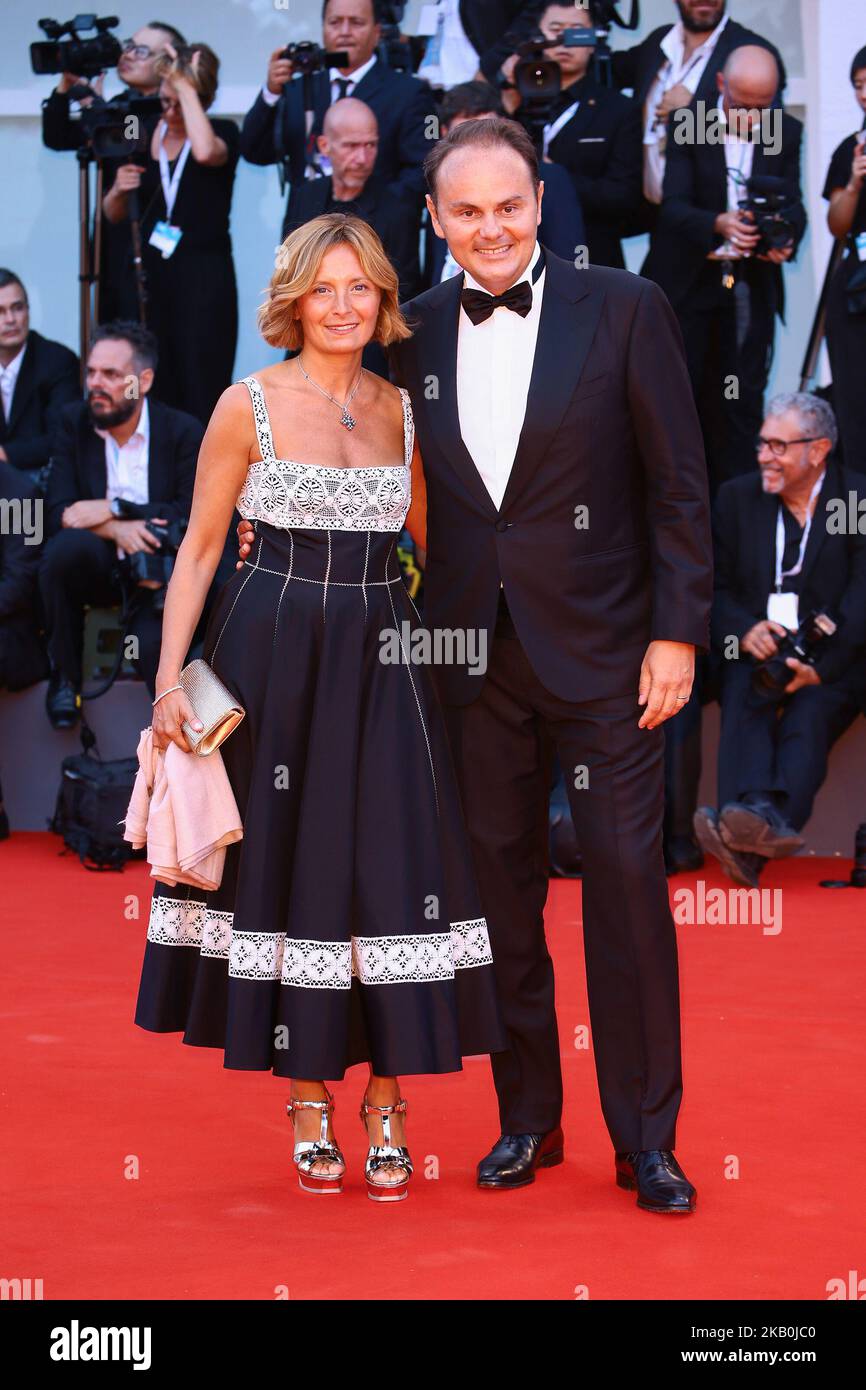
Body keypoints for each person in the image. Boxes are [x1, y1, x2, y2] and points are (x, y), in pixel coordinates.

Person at [238, 117, 714, 1213]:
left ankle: (646, 1140)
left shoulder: (627, 307)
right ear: (436, 218)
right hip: (462, 663)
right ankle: (527, 1120)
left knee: (627, 895)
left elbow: (680, 483)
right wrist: (270, 517)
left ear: (540, 202)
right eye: (466, 211)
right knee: (497, 903)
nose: (489, 228)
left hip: (610, 659)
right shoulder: (409, 337)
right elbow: (351, 449)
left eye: (507, 206)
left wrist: (678, 631)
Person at [136, 214, 505, 1202]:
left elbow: (446, 544)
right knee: (292, 865)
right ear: (293, 301)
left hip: (386, 658)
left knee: (393, 866)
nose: (342, 307)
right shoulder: (245, 404)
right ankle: (306, 1093)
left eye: (360, 289)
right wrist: (168, 680)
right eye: (323, 289)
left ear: (382, 300)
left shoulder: (404, 410)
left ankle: (387, 1096)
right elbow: (200, 551)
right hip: (271, 660)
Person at [695, 394, 866, 887]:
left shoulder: (854, 500)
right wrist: (745, 629)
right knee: (743, 688)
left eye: (778, 446)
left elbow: (862, 596)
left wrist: (821, 668)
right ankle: (756, 819)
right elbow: (712, 586)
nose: (764, 456)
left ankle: (747, 832)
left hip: (831, 659)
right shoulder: (736, 498)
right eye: (762, 443)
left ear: (818, 450)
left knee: (809, 716)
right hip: (756, 648)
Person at [643, 47, 806, 493]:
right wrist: (719, 223)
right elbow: (673, 208)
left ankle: (738, 513)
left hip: (749, 286)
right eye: (741, 106)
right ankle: (685, 511)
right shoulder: (688, 123)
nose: (752, 119)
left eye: (762, 108)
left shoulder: (786, 130)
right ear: (721, 85)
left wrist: (785, 240)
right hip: (691, 283)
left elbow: (794, 206)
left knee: (742, 401)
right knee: (683, 401)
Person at [40, 322, 201, 727]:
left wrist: (114, 507)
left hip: (158, 574)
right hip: (98, 565)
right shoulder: (73, 423)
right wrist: (116, 529)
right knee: (63, 551)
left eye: (111, 375)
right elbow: (60, 511)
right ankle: (65, 681)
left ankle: (180, 740)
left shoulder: (181, 431)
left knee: (154, 645)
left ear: (143, 381)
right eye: (92, 372)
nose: (96, 384)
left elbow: (188, 512)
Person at [102, 43, 240, 426]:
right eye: (165, 101)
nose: (171, 112)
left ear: (203, 98)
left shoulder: (223, 132)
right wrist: (118, 190)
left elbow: (205, 152)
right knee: (149, 380)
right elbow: (113, 213)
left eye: (181, 102)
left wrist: (184, 87)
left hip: (202, 280)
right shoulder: (140, 132)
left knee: (201, 382)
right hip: (148, 279)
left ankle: (202, 459)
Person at [40, 20, 187, 325]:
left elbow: (133, 142)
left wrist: (96, 109)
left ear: (166, 65)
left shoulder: (172, 113)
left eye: (142, 51)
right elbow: (58, 136)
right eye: (129, 46)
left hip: (153, 247)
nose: (128, 55)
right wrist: (66, 88)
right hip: (111, 247)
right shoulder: (120, 106)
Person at [240, 0, 436, 221]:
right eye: (335, 22)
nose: (344, 32)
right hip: (305, 228)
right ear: (323, 27)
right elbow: (254, 151)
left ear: (377, 31)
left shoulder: (410, 92)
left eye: (356, 22)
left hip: (376, 230)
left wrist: (384, 206)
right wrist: (271, 93)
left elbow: (425, 168)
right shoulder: (299, 87)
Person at [611, 0, 785, 237]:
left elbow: (770, 139)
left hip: (721, 225)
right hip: (660, 220)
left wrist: (694, 109)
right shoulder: (659, 43)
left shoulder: (752, 52)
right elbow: (600, 75)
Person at [497, 3, 642, 268]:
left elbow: (624, 196)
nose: (564, 41)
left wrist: (555, 178)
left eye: (576, 31)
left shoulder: (619, 109)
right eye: (555, 30)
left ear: (593, 41)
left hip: (593, 258)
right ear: (537, 37)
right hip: (516, 260)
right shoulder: (514, 105)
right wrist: (505, 103)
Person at [422, 80, 586, 286]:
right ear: (444, 133)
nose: (477, 147)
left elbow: (569, 264)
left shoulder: (550, 178)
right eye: (468, 213)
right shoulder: (444, 182)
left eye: (508, 209)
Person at [283, 98, 420, 302]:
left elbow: (405, 293)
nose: (362, 158)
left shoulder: (397, 209)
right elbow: (285, 269)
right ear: (324, 145)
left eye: (370, 145)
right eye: (351, 146)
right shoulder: (305, 196)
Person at [823, 47, 866, 474]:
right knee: (854, 401)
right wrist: (854, 183)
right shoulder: (848, 151)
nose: (864, 93)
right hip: (856, 287)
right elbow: (837, 225)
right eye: (858, 85)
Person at [0, 270, 80, 485]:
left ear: (28, 310)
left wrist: (5, 454)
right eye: (0, 311)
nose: (10, 319)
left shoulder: (58, 361)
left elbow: (62, 437)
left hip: (39, 484)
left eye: (17, 308)